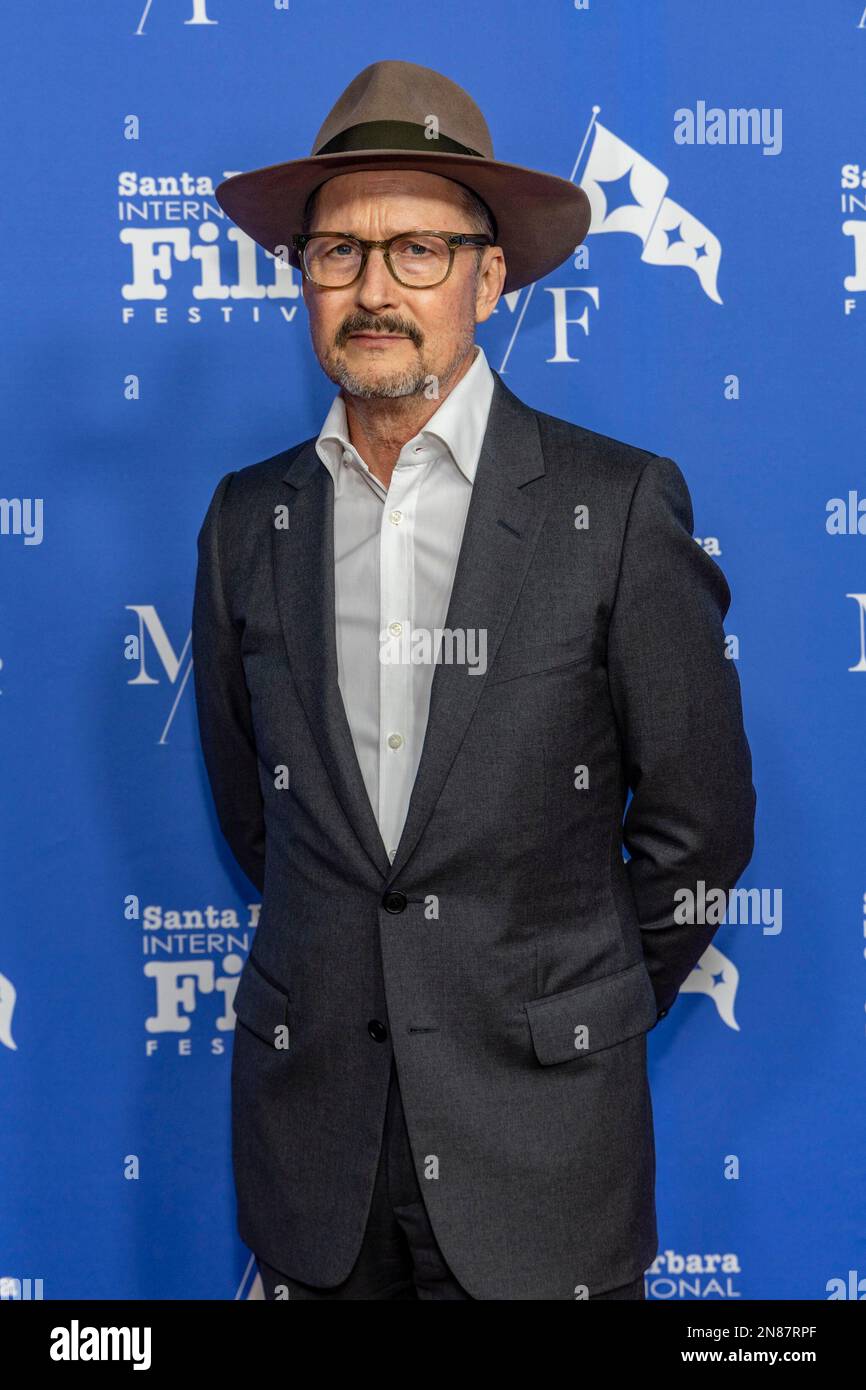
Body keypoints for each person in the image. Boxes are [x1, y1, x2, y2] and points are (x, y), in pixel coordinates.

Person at [193, 59, 756, 1301]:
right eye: (337, 253)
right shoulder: (246, 522)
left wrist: (565, 1010)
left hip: (541, 1160)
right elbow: (259, 814)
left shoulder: (611, 507)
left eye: (417, 251)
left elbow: (696, 826)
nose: (373, 289)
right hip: (315, 1159)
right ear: (302, 280)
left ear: (490, 278)